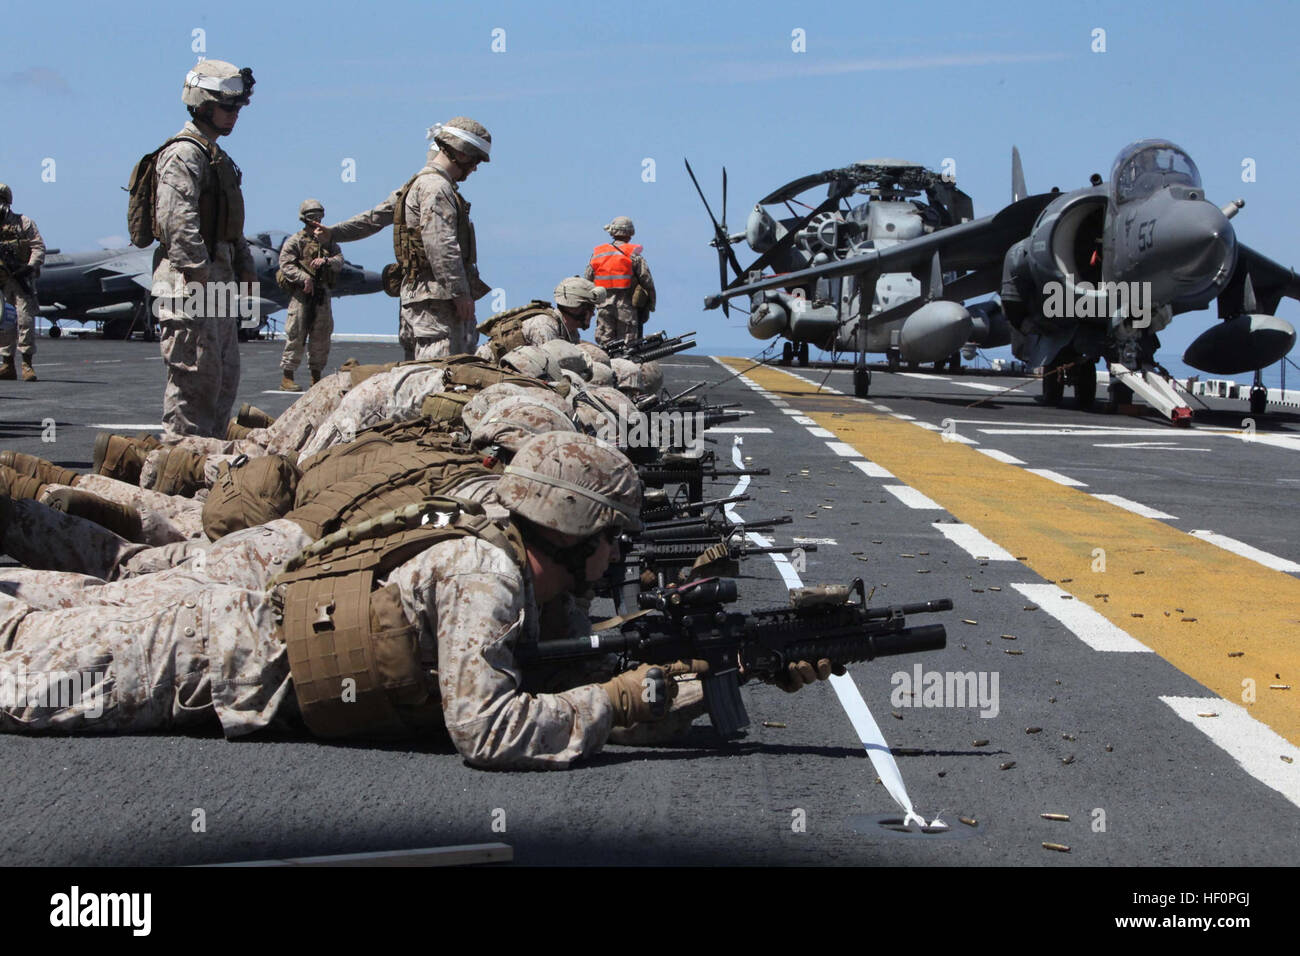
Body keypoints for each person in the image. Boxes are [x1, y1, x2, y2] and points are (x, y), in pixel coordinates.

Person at [0, 432, 681, 769]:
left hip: (219, 626)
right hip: (190, 658)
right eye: (611, 537)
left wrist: (691, 676)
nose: (617, 557)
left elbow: (546, 665)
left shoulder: (518, 567)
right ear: (570, 530)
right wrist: (611, 704)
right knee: (20, 684)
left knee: (34, 609)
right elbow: (489, 729)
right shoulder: (486, 574)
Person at [321, 117, 492, 360]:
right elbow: (441, 244)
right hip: (438, 301)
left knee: (418, 374)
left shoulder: (414, 185)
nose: (474, 169)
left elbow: (373, 219)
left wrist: (334, 232)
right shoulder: (437, 188)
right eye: (475, 161)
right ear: (462, 155)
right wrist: (460, 293)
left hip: (416, 297)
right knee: (441, 375)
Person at [151, 59, 257, 439]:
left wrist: (245, 266)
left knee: (221, 381)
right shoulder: (184, 155)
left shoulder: (216, 157)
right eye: (227, 108)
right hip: (190, 286)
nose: (234, 116)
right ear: (202, 104)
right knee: (194, 386)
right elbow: (177, 222)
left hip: (216, 287)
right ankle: (177, 471)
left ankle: (201, 473)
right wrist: (199, 276)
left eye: (237, 109)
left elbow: (230, 226)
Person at [277, 199, 342, 391]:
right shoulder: (296, 241)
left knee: (321, 336)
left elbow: (340, 261)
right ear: (304, 218)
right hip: (301, 295)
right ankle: (287, 377)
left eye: (319, 216)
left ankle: (316, 377)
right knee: (296, 335)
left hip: (322, 295)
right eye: (312, 216)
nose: (316, 220)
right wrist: (303, 277)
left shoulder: (329, 241)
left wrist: (327, 261)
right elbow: (285, 263)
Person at [585, 216, 655, 348]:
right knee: (627, 348)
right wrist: (651, 305)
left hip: (604, 308)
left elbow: (587, 280)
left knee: (606, 348)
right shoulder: (633, 255)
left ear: (612, 232)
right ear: (631, 233)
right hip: (626, 310)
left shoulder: (598, 254)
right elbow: (647, 282)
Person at [0, 184, 46, 382]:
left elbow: (38, 246)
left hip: (21, 280)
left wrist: (29, 267)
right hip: (2, 282)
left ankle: (27, 364)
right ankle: (7, 364)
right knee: (4, 323)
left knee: (25, 320)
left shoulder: (23, 223)